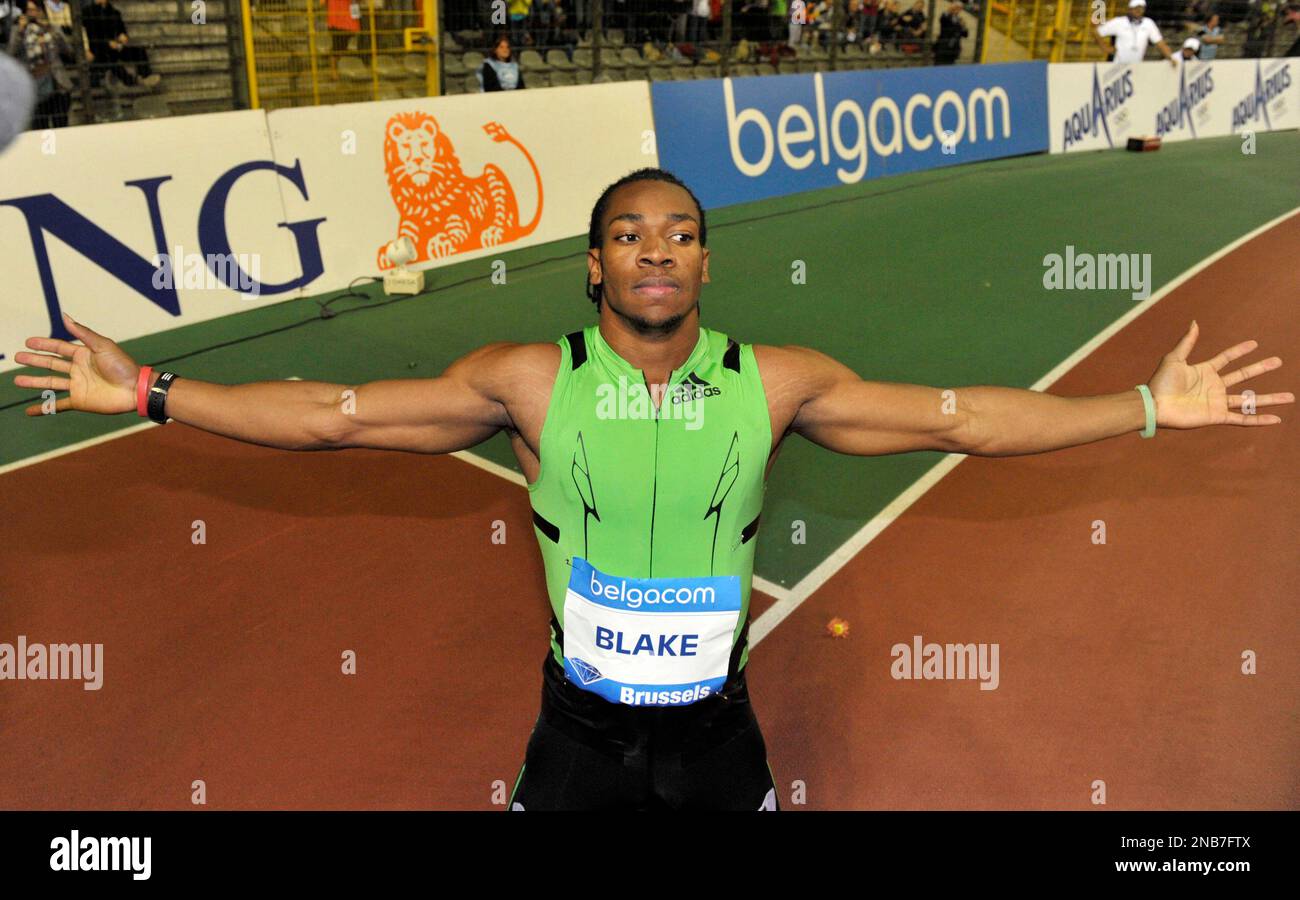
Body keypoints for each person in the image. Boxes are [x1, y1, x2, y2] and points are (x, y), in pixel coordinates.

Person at [11, 168, 1292, 811]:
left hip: (720, 733)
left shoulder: (778, 380)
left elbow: (965, 421)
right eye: (628, 233)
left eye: (678, 231)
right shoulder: (525, 381)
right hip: (577, 738)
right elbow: (331, 419)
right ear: (592, 268)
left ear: (706, 262)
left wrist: (1139, 407)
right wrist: (149, 393)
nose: (656, 249)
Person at [6, 1, 72, 128]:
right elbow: (10, 54)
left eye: (36, 10)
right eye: (30, 10)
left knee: (61, 126)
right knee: (40, 128)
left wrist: (51, 30)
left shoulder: (52, 27)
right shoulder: (18, 30)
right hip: (35, 86)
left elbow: (68, 50)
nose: (33, 14)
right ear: (25, 12)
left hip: (56, 83)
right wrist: (20, 30)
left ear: (42, 11)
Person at [81, 0, 160, 88]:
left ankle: (146, 75)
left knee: (139, 51)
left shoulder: (114, 12)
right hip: (97, 50)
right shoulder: (87, 12)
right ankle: (132, 81)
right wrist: (107, 43)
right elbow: (92, 36)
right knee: (111, 60)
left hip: (114, 48)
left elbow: (121, 29)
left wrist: (122, 35)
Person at [1093, 0, 1177, 66]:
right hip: (1118, 66)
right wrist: (1105, 48)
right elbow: (1097, 31)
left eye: (1141, 8)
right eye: (1136, 8)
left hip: (1137, 67)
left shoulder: (1148, 23)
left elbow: (1160, 43)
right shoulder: (1119, 22)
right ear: (1130, 8)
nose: (1139, 10)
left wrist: (1170, 57)